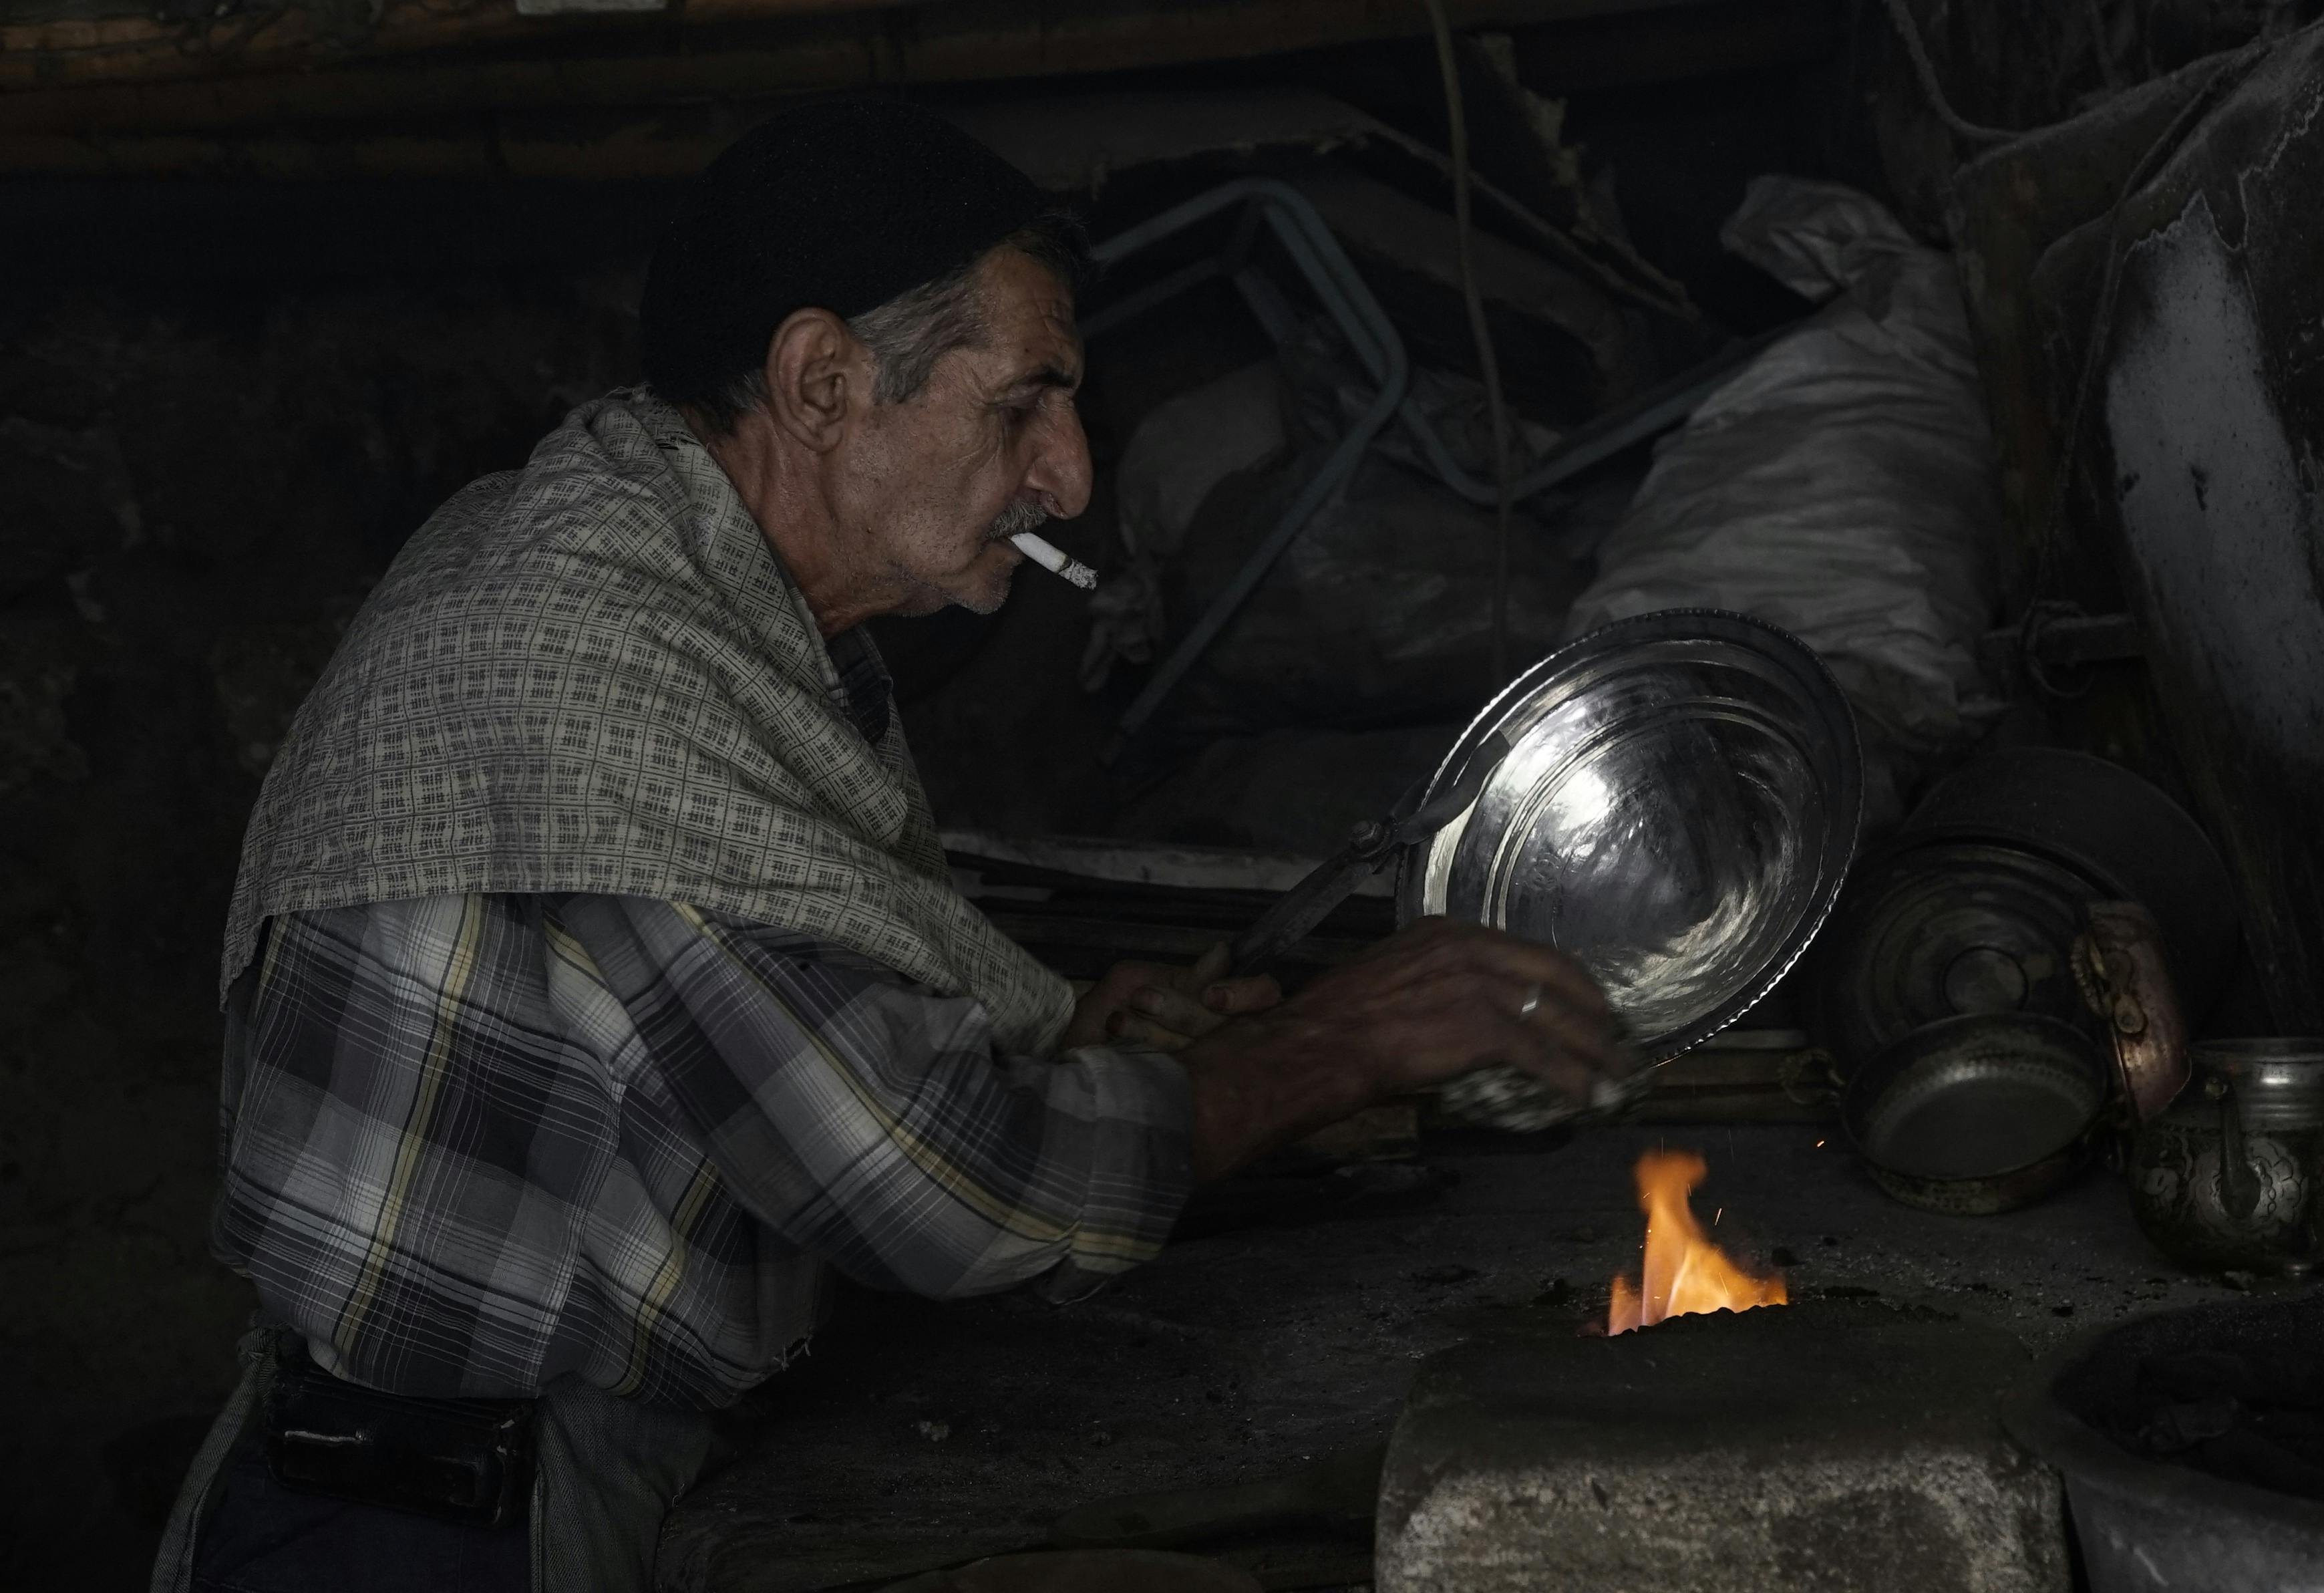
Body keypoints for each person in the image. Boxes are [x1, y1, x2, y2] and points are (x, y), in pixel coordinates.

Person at [152, 97, 1629, 1593]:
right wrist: (1324, 1054)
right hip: (432, 1534)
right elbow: (948, 1192)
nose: (1065, 476)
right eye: (1021, 405)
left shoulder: (696, 594)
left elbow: (782, 1002)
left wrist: (1054, 1040)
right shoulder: (592, 669)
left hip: (528, 1471)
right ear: (820, 380)